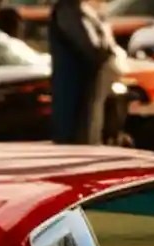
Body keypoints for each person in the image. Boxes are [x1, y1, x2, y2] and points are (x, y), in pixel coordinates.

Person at [49, 0, 114, 144]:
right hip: (74, 87)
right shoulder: (67, 10)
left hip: (88, 84)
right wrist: (101, 57)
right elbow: (84, 45)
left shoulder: (89, 13)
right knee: (78, 132)